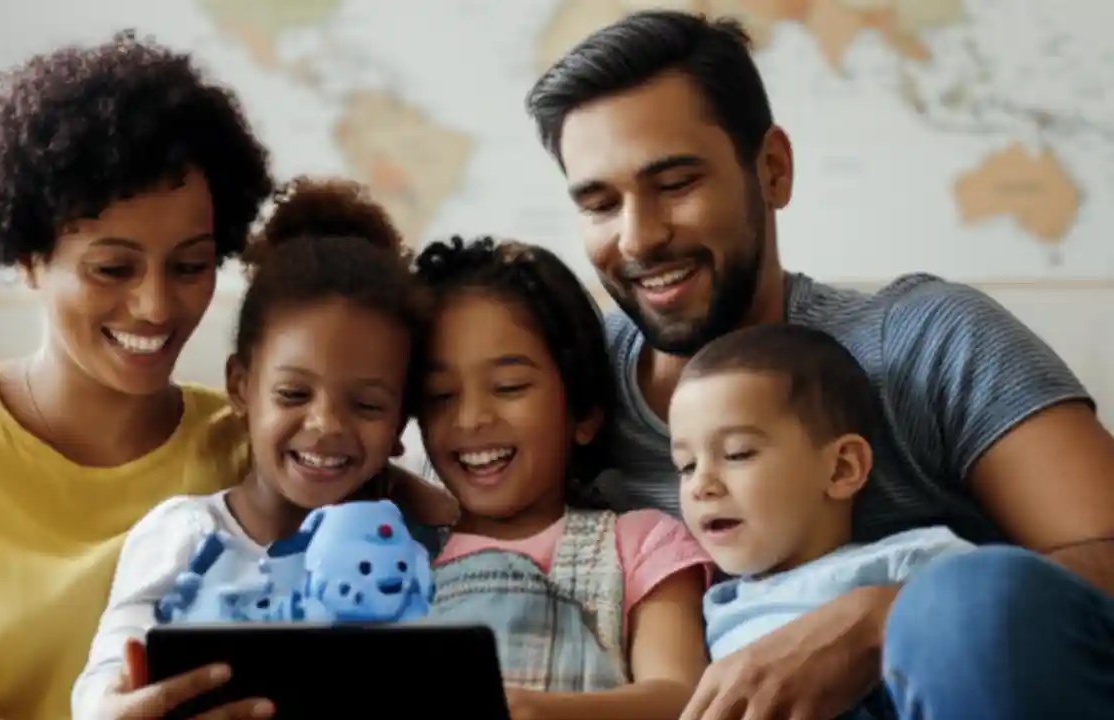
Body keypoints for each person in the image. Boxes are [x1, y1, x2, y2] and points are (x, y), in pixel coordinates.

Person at [0, 32, 445, 720]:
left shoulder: (257, 441)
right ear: (30, 257)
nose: (156, 306)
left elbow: (449, 523)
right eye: (113, 268)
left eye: (189, 266)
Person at [526, 9, 1114, 719]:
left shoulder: (924, 342)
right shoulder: (558, 382)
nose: (639, 237)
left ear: (772, 169)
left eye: (676, 184)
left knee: (965, 603)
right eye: (599, 203)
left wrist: (880, 620)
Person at [72, 177, 431, 717]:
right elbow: (103, 681)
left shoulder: (410, 554)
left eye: (368, 405)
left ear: (401, 421)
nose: (326, 424)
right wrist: (110, 705)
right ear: (240, 388)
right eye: (293, 393)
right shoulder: (183, 535)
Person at [413, 235, 712, 720]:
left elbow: (682, 697)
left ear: (584, 413)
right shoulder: (400, 554)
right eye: (439, 395)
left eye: (509, 387)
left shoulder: (640, 544)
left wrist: (546, 711)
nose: (469, 420)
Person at [670, 324, 976, 718]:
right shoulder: (713, 606)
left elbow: (999, 608)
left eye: (738, 453)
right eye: (686, 465)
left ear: (841, 469)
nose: (701, 485)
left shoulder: (904, 561)